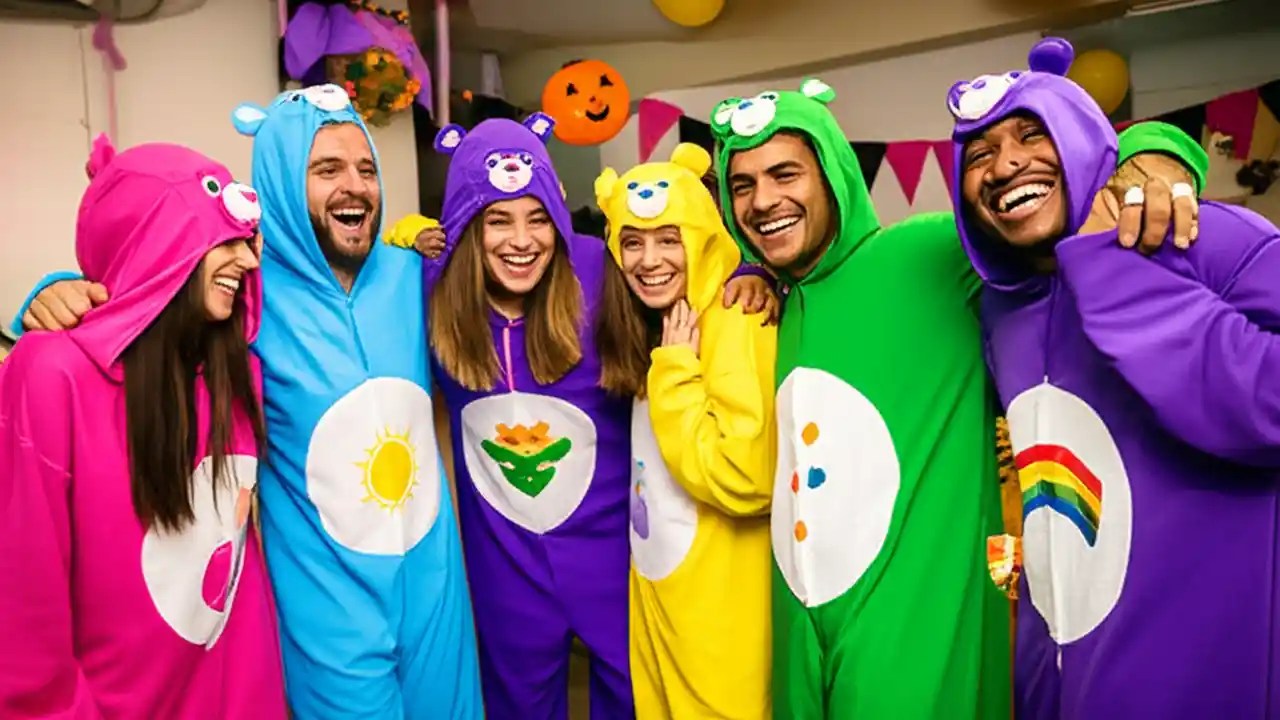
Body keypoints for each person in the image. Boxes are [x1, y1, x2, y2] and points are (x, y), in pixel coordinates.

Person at [706, 74, 1198, 717]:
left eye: (785, 175)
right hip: (801, 630)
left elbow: (1050, 191)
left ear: (832, 175)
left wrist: (1151, 159)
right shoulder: (776, 302)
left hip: (915, 637)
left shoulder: (928, 253)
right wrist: (752, 270)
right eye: (742, 186)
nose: (762, 200)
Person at [12, 84, 483, 719]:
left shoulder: (412, 280)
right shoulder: (248, 304)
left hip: (435, 597)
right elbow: (154, 300)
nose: (356, 186)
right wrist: (62, 292)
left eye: (367, 168)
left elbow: (514, 296)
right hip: (326, 611)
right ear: (284, 182)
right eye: (327, 169)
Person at [380, 114, 775, 720]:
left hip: (612, 556)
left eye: (538, 218)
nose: (522, 240)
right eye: (497, 220)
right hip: (504, 567)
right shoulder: (428, 293)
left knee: (634, 698)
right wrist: (405, 238)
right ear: (465, 226)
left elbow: (675, 264)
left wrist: (752, 271)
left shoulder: (597, 268)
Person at [950, 37, 1280, 718]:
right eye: (977, 155)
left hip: (1208, 678)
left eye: (1030, 134)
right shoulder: (998, 313)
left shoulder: (1209, 238)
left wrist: (1118, 266)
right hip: (1062, 677)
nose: (1005, 162)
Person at [0, 136, 286, 717]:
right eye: (225, 240)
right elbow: (23, 613)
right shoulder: (51, 374)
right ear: (162, 243)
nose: (249, 260)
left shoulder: (239, 375)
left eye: (246, 241)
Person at [593, 142, 776, 719]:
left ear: (702, 235)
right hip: (663, 597)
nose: (648, 260)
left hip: (718, 619)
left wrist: (674, 375)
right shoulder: (661, 324)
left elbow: (746, 479)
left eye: (669, 238)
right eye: (633, 242)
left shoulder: (737, 317)